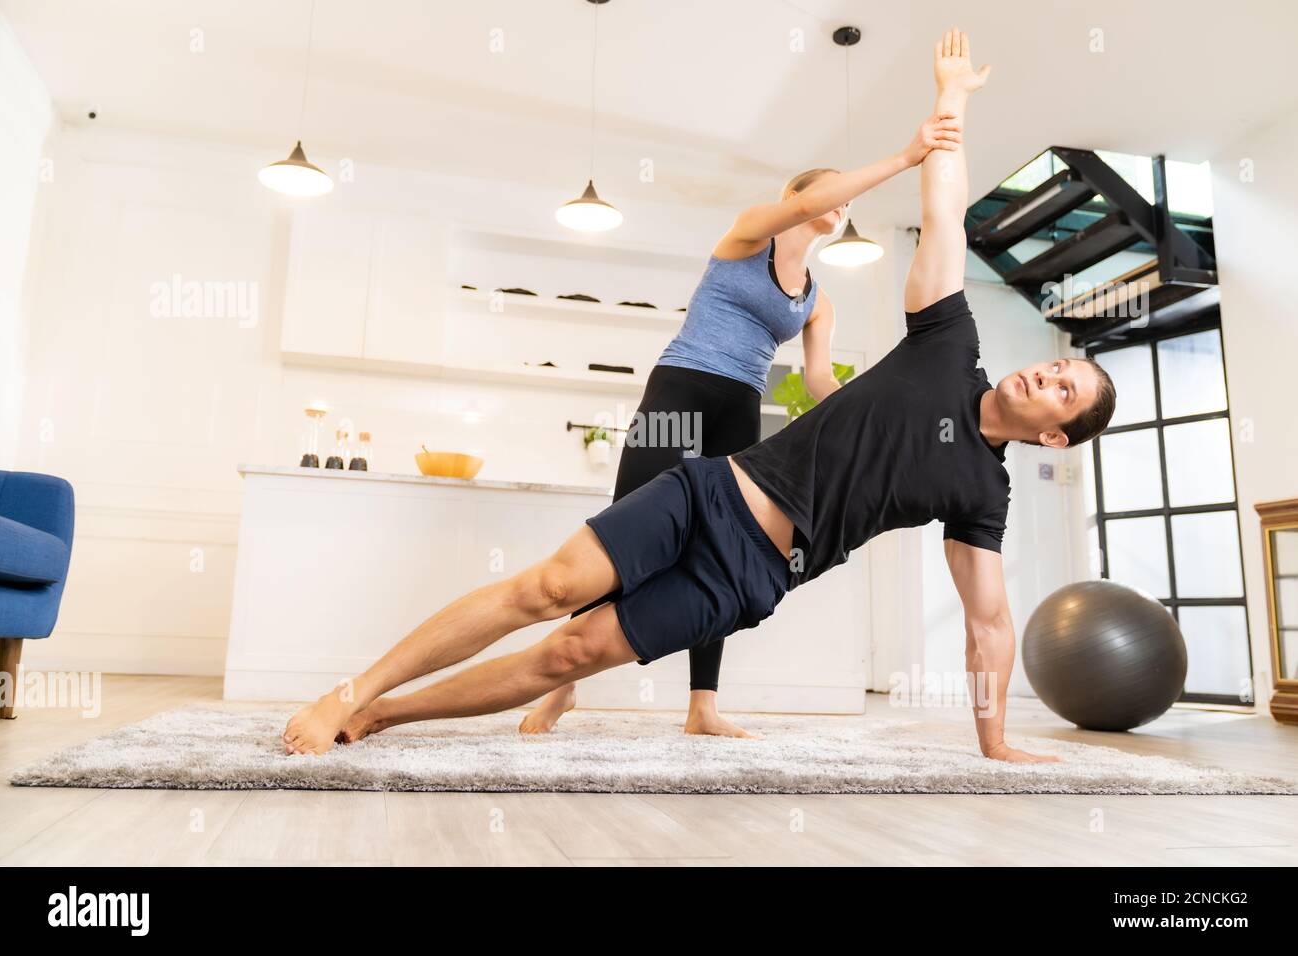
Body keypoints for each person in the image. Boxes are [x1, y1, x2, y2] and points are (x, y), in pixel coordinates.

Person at [283, 28, 1116, 764]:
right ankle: (351, 693)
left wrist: (994, 738)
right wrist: (949, 105)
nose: (1046, 373)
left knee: (569, 654)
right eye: (1056, 366)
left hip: (752, 576)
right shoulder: (948, 342)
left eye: (1063, 388)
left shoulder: (984, 492)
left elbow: (990, 622)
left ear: (1056, 437)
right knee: (546, 591)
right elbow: (944, 218)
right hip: (711, 485)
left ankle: (389, 715)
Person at [522, 112, 964, 739]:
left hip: (739, 408)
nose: (838, 208)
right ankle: (559, 685)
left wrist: (872, 424)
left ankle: (702, 705)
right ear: (797, 199)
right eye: (830, 194)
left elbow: (818, 382)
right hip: (678, 389)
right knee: (623, 529)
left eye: (842, 201)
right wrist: (902, 157)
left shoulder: (818, 300)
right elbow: (814, 197)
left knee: (721, 549)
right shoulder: (748, 235)